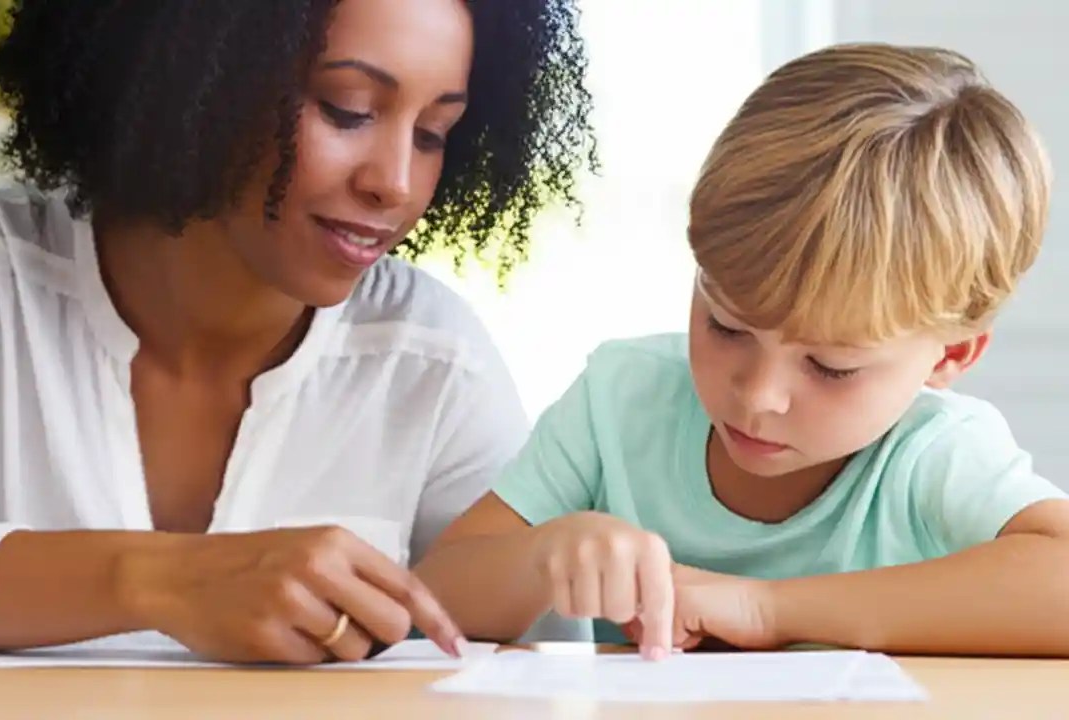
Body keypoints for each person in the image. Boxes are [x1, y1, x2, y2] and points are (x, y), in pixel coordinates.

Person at [0, 0, 595, 664]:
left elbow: (542, 654)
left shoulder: (430, 357)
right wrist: (165, 581)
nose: (394, 182)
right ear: (191, 77)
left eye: (432, 134)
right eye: (348, 109)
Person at [417, 42, 1069, 659]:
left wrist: (764, 609)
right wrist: (542, 556)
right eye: (727, 326)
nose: (758, 395)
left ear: (950, 356)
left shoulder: (936, 452)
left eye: (830, 366)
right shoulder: (619, 401)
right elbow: (436, 592)